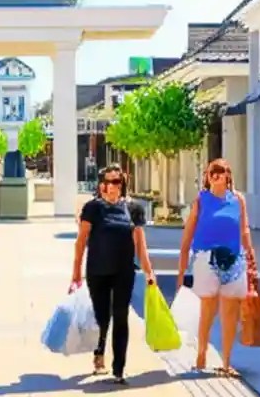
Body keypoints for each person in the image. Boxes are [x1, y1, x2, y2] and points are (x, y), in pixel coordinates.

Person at [71, 165, 156, 385]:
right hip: (97, 271)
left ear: (122, 184)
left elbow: (140, 243)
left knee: (121, 317)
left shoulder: (133, 209)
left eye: (116, 182)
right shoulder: (92, 208)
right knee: (102, 317)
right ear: (101, 185)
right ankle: (99, 351)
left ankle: (119, 368)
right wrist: (75, 274)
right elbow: (81, 242)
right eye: (107, 182)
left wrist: (149, 271)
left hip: (123, 272)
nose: (111, 187)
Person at [176, 159, 258, 379]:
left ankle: (227, 361)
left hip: (233, 259)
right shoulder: (200, 201)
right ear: (207, 175)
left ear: (228, 176)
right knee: (208, 308)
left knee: (230, 313)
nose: (216, 174)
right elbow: (187, 236)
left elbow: (244, 229)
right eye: (213, 171)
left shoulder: (238, 200)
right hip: (206, 258)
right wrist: (182, 267)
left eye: (221, 171)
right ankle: (201, 352)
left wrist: (250, 254)